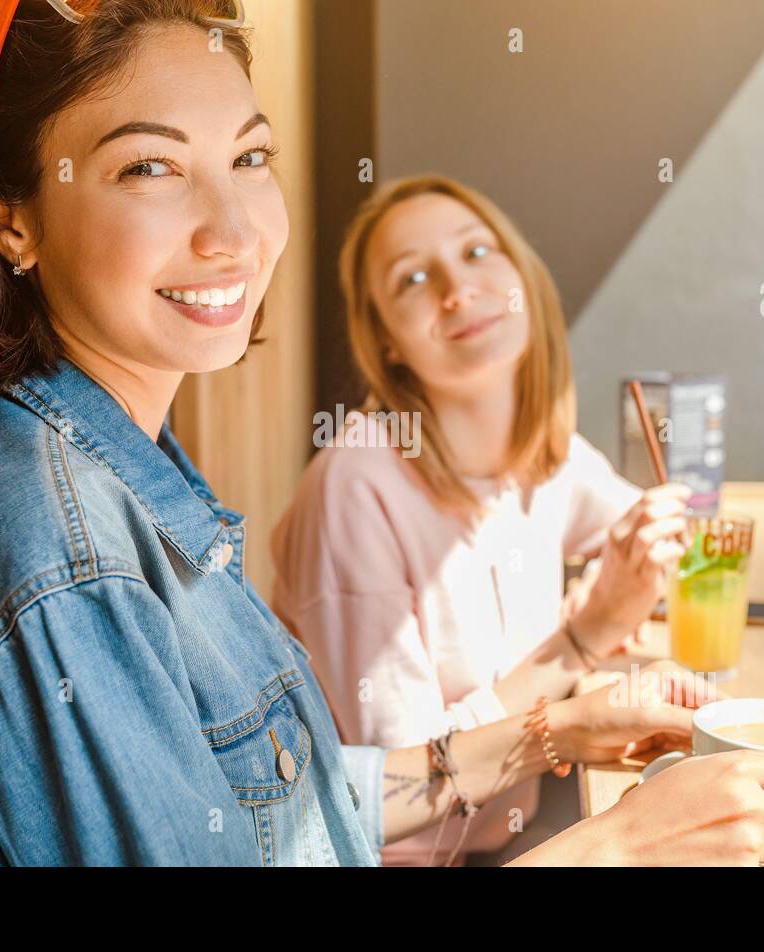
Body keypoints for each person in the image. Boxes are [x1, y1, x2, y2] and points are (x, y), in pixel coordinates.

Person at [0, 0, 764, 866]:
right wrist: (618, 842)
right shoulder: (58, 542)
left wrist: (545, 733)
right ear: (11, 220)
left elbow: (273, 810)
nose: (234, 230)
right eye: (149, 169)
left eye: (249, 157)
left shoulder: (111, 463)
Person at [270, 175, 700, 864]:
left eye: (475, 252)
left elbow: (649, 535)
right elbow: (408, 796)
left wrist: (644, 554)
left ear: (521, 277)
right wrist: (584, 637)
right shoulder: (354, 488)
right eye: (412, 278)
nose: (456, 288)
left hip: (514, 837)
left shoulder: (542, 455)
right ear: (386, 342)